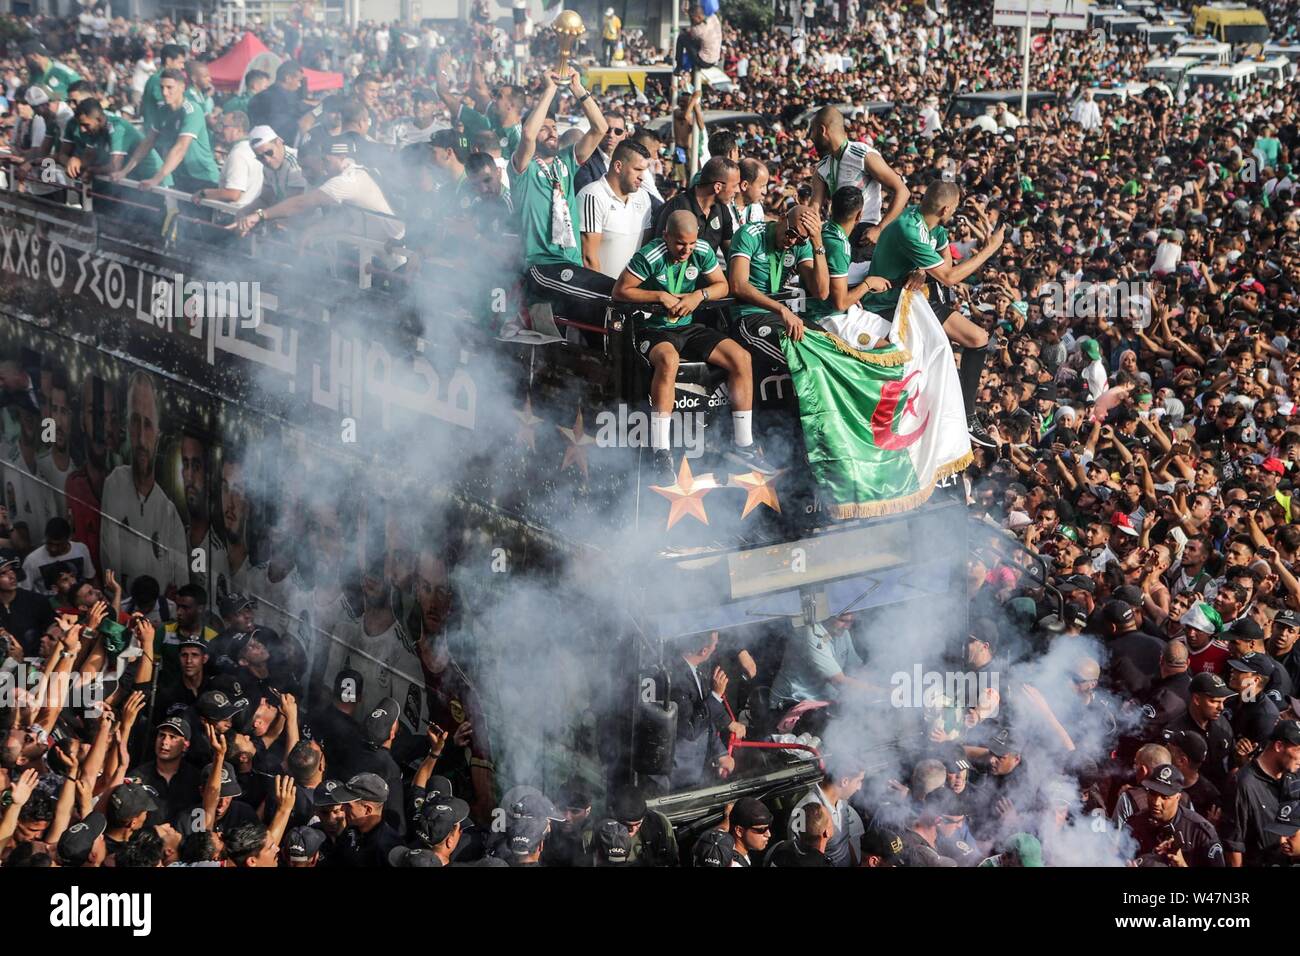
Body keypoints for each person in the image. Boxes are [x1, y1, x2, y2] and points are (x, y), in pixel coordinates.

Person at [613, 210, 766, 481]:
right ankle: (660, 450)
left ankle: (744, 445)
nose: (686, 250)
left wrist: (699, 295)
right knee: (669, 361)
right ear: (666, 237)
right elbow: (621, 291)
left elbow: (722, 285)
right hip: (654, 327)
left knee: (741, 358)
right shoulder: (650, 254)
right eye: (680, 243)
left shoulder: (703, 250)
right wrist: (660, 295)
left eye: (692, 243)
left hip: (688, 327)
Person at [859, 180, 1004, 447]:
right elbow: (949, 277)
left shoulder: (931, 225)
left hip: (913, 298)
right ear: (946, 208)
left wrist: (924, 270)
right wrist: (991, 248)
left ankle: (968, 416)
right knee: (932, 362)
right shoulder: (908, 228)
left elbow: (944, 264)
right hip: (888, 303)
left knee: (978, 338)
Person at [509, 69, 612, 332]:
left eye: (554, 127)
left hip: (571, 265)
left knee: (577, 333)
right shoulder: (523, 168)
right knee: (609, 295)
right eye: (545, 128)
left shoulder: (567, 161)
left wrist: (577, 89)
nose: (551, 133)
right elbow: (528, 136)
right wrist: (550, 90)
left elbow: (600, 128)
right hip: (541, 266)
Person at [97, 370, 188, 592]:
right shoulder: (115, 483)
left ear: (158, 433)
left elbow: (181, 582)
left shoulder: (169, 513)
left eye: (147, 424)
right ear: (127, 427)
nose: (140, 437)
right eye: (134, 422)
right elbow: (109, 557)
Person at [807, 105, 910, 260]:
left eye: (812, 131)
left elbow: (902, 191)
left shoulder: (862, 155)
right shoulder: (821, 168)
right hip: (835, 234)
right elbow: (814, 207)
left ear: (823, 130)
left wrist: (880, 228)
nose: (810, 137)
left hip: (863, 235)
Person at [116, 69, 220, 194]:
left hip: (203, 178)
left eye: (170, 87)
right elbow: (147, 143)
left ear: (182, 87)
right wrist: (124, 171)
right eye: (162, 88)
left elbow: (180, 148)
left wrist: (156, 179)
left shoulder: (191, 110)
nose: (165, 93)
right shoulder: (162, 111)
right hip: (180, 177)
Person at [579, 139, 653, 279]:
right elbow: (588, 258)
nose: (642, 177)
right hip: (602, 293)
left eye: (644, 171)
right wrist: (602, 296)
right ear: (618, 166)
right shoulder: (592, 195)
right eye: (637, 169)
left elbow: (645, 248)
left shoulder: (643, 197)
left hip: (631, 292)